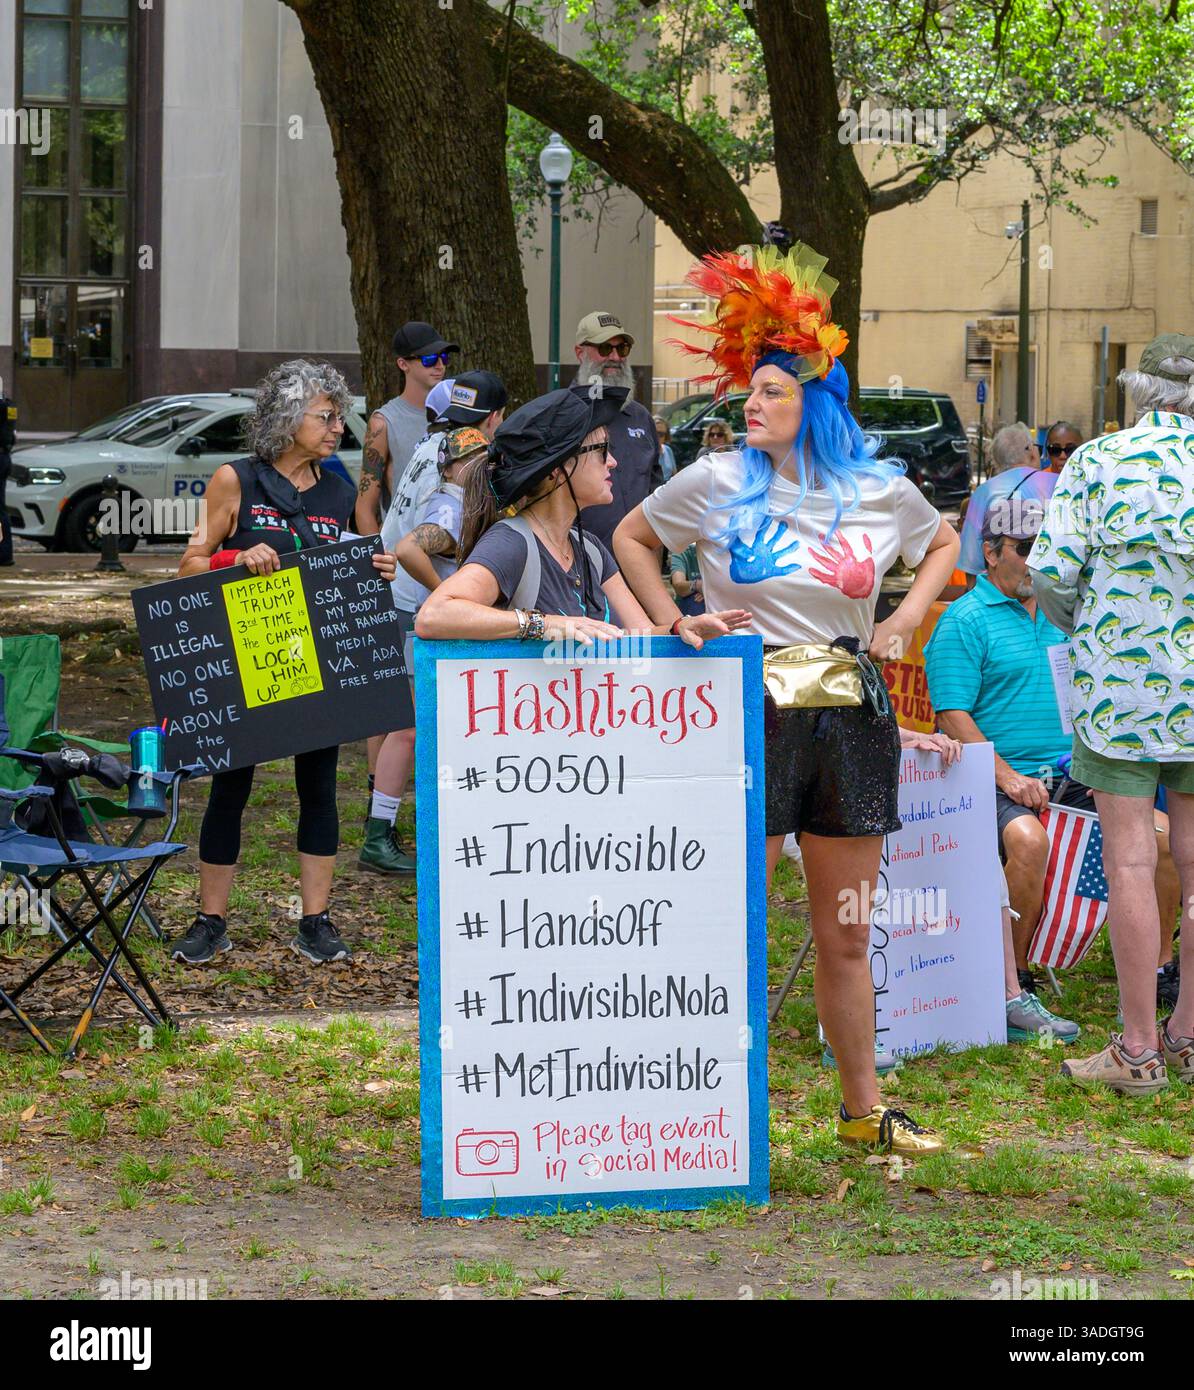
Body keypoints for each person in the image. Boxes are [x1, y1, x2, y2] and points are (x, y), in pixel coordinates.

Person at [616, 238, 960, 1154]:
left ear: (818, 401)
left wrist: (904, 619)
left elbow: (942, 546)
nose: (751, 403)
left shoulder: (881, 489)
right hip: (745, 707)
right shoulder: (717, 478)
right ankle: (692, 1112)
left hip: (848, 709)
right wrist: (676, 620)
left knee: (845, 932)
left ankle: (861, 1113)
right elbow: (632, 537)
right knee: (722, 917)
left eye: (772, 390)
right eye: (750, 389)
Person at [173, 360, 398, 966]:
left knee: (318, 788)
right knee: (231, 787)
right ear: (286, 417)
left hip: (316, 657)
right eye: (325, 416)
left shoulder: (339, 489)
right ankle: (209, 920)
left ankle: (316, 920)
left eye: (339, 417)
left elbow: (354, 560)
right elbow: (189, 564)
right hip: (248, 651)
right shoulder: (235, 479)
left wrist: (380, 569)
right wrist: (234, 561)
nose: (336, 428)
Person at [925, 500, 1172, 1015]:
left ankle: (1160, 969)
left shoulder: (1067, 614)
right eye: (1025, 548)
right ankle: (1012, 981)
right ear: (990, 554)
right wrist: (1009, 777)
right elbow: (951, 716)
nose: (1039, 560)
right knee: (1029, 841)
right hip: (989, 779)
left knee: (1167, 841)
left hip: (1073, 773)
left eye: (1048, 548)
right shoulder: (964, 620)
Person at [1031, 332, 1194, 1093]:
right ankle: (1188, 1035)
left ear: (1139, 392)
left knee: (1132, 857)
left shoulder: (1098, 461)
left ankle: (1137, 1051)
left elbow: (1053, 572)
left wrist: (1087, 628)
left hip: (1122, 689)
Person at [416, 383, 750, 647]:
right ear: (558, 470)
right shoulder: (511, 542)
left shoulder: (589, 547)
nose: (613, 463)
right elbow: (434, 615)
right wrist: (546, 624)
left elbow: (641, 636)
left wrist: (681, 628)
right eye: (602, 451)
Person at [359, 373, 508, 873]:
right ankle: (381, 830)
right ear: (493, 419)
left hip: (394, 592)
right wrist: (449, 591)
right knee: (408, 724)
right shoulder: (468, 460)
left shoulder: (430, 443)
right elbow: (421, 540)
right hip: (413, 598)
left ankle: (380, 819)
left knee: (393, 720)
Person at [354, 320, 457, 535]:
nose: (440, 365)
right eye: (429, 359)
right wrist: (378, 561)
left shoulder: (459, 414)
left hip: (454, 545)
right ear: (403, 364)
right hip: (402, 553)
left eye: (444, 357)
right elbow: (365, 507)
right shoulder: (383, 422)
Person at [572, 312, 664, 549]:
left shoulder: (641, 417)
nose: (614, 357)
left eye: (622, 349)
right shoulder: (562, 416)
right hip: (582, 566)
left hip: (639, 564)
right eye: (604, 348)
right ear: (580, 353)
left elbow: (657, 490)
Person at [669, 544, 704, 617]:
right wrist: (698, 585)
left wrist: (709, 591)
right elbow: (678, 584)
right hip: (689, 606)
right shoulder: (682, 551)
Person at [654, 415, 678, 481]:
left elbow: (675, 475)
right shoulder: (643, 452)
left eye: (661, 434)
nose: (657, 437)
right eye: (655, 433)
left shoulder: (668, 450)